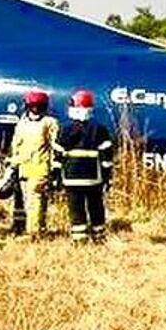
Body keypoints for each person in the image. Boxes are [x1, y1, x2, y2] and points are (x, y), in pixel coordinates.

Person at [58, 89, 114, 243]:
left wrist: (55, 177)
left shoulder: (65, 129)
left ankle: (79, 239)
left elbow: (57, 155)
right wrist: (107, 177)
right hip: (93, 179)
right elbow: (107, 158)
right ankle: (99, 236)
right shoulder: (99, 129)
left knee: (76, 209)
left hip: (71, 179)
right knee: (96, 206)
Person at [7, 88, 58, 237]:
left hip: (32, 168)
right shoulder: (48, 122)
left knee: (34, 201)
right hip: (33, 168)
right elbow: (54, 147)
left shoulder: (24, 123)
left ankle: (34, 232)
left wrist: (12, 164)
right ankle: (36, 229)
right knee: (33, 202)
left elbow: (15, 146)